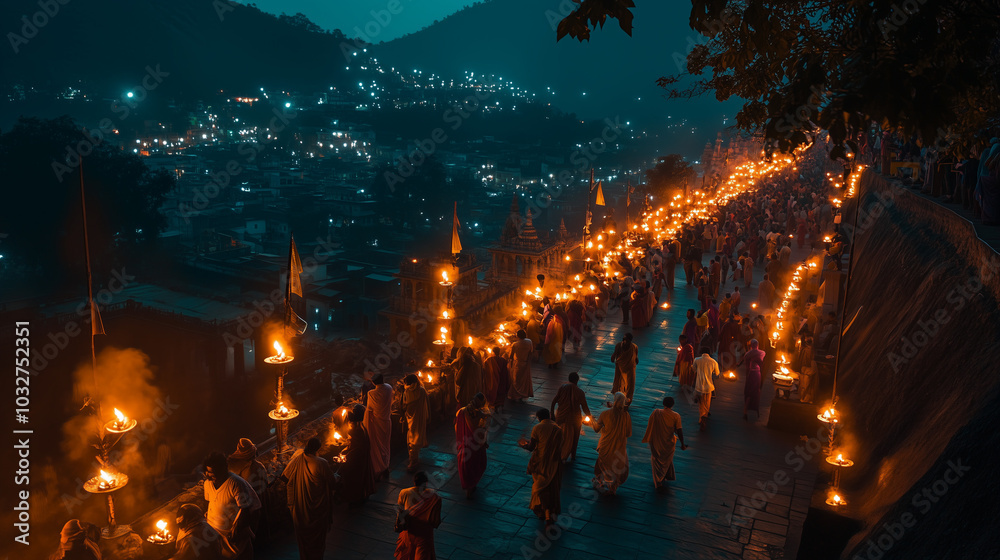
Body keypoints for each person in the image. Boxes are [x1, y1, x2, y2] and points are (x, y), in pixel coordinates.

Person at [281, 438, 334, 560]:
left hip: (300, 508)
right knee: (317, 539)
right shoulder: (322, 463)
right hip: (318, 509)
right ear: (318, 449)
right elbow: (332, 482)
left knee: (303, 537)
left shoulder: (297, 460)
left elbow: (284, 477)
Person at [203, 451, 261, 560]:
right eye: (209, 472)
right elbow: (209, 502)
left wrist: (236, 530)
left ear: (223, 469)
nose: (211, 475)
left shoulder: (235, 483)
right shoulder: (207, 484)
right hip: (215, 536)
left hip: (234, 539)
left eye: (214, 472)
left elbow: (245, 509)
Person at [519, 409, 564, 525]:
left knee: (539, 488)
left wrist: (523, 445)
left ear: (539, 418)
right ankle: (548, 512)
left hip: (540, 463)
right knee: (551, 489)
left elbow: (531, 447)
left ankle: (544, 512)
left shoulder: (537, 428)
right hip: (554, 464)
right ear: (549, 416)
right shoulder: (558, 429)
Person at [641, 397, 687, 491]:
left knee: (656, 460)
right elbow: (679, 431)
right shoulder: (676, 416)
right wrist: (682, 443)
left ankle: (658, 479)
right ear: (672, 405)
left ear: (663, 404)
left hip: (656, 441)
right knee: (666, 459)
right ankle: (663, 477)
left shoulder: (656, 413)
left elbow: (651, 426)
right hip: (668, 443)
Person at [591, 392, 632, 495]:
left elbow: (596, 429)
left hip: (605, 445)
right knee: (614, 466)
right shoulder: (626, 416)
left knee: (603, 464)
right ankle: (611, 487)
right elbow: (628, 433)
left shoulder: (605, 414)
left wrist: (592, 421)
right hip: (619, 446)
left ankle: (602, 481)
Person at [395, 471, 442, 560]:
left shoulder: (404, 492)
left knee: (407, 555)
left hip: (408, 532)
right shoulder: (435, 497)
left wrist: (399, 525)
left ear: (414, 482)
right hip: (424, 534)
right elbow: (435, 521)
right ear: (426, 483)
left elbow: (400, 514)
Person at [337, 404, 377, 507]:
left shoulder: (357, 431)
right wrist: (345, 450)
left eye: (350, 422)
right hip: (360, 459)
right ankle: (359, 497)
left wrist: (346, 455)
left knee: (355, 480)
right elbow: (354, 445)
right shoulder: (362, 428)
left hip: (357, 462)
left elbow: (357, 449)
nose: (349, 423)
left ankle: (355, 499)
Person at [550, 372, 593, 462]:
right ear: (577, 380)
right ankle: (573, 455)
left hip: (561, 416)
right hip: (574, 419)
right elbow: (585, 407)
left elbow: (554, 401)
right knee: (575, 437)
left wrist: (552, 414)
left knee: (559, 436)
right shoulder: (580, 392)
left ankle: (557, 452)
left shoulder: (562, 388)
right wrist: (590, 416)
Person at [455, 393, 490, 499]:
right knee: (475, 466)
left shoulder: (461, 411)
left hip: (463, 445)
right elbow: (481, 431)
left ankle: (467, 487)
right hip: (475, 446)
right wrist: (484, 442)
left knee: (465, 467)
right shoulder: (481, 415)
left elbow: (456, 427)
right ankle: (471, 486)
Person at [364, 373, 394, 480]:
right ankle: (386, 466)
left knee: (378, 447)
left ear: (373, 383)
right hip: (387, 421)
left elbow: (369, 409)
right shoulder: (389, 388)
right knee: (386, 445)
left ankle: (380, 468)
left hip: (377, 423)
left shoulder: (371, 393)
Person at [402, 374, 430, 473]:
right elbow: (427, 403)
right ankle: (414, 458)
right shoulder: (422, 390)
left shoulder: (406, 392)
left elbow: (404, 406)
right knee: (417, 438)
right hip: (420, 418)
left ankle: (413, 461)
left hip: (411, 419)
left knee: (411, 439)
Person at [737, 339, 766, 421]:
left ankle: (745, 411)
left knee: (749, 392)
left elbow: (744, 361)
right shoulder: (762, 353)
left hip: (751, 374)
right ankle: (755, 410)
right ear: (757, 345)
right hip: (757, 374)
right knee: (756, 392)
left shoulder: (748, 354)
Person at [692, 347, 720, 430]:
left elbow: (693, 370)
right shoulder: (713, 362)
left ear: (701, 352)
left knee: (700, 403)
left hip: (699, 386)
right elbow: (717, 374)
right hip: (709, 387)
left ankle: (701, 418)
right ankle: (704, 416)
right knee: (707, 403)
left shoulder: (697, 360)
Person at [611, 332, 639, 405]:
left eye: (626, 340)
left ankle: (627, 400)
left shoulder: (634, 347)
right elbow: (614, 355)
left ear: (630, 341)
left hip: (630, 369)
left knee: (630, 385)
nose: (624, 341)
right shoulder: (618, 346)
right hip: (620, 368)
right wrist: (613, 357)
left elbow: (636, 358)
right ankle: (618, 399)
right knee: (619, 383)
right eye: (623, 339)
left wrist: (634, 361)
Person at [508, 330, 534, 401]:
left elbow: (511, 356)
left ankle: (516, 395)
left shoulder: (515, 344)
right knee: (524, 380)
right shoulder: (529, 342)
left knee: (516, 380)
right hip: (526, 363)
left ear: (518, 336)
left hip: (518, 364)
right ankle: (523, 394)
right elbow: (531, 353)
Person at [482, 347, 511, 411]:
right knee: (500, 393)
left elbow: (484, 369)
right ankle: (500, 406)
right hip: (502, 381)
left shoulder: (489, 360)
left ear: (493, 352)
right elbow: (506, 371)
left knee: (493, 392)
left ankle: (493, 405)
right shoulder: (503, 360)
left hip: (493, 381)